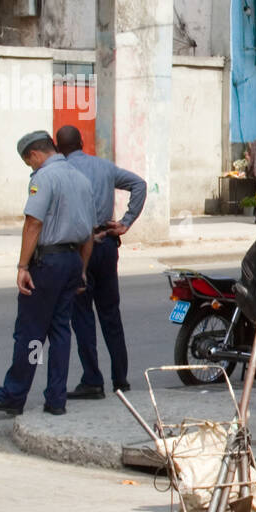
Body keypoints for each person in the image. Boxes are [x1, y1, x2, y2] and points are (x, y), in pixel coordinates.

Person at [0, 131, 94, 417]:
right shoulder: (81, 179)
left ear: (34, 155)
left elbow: (33, 223)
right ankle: (56, 399)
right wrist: (83, 270)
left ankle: (14, 394)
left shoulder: (43, 178)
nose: (31, 167)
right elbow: (89, 233)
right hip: (72, 262)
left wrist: (22, 267)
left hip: (48, 264)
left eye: (29, 163)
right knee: (61, 332)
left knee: (31, 334)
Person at [53, 126, 147, 400]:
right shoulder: (104, 167)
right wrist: (126, 222)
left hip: (79, 249)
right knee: (111, 315)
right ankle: (121, 379)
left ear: (59, 148)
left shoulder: (61, 173)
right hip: (106, 245)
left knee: (82, 317)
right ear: (82, 142)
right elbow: (139, 184)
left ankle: (92, 380)